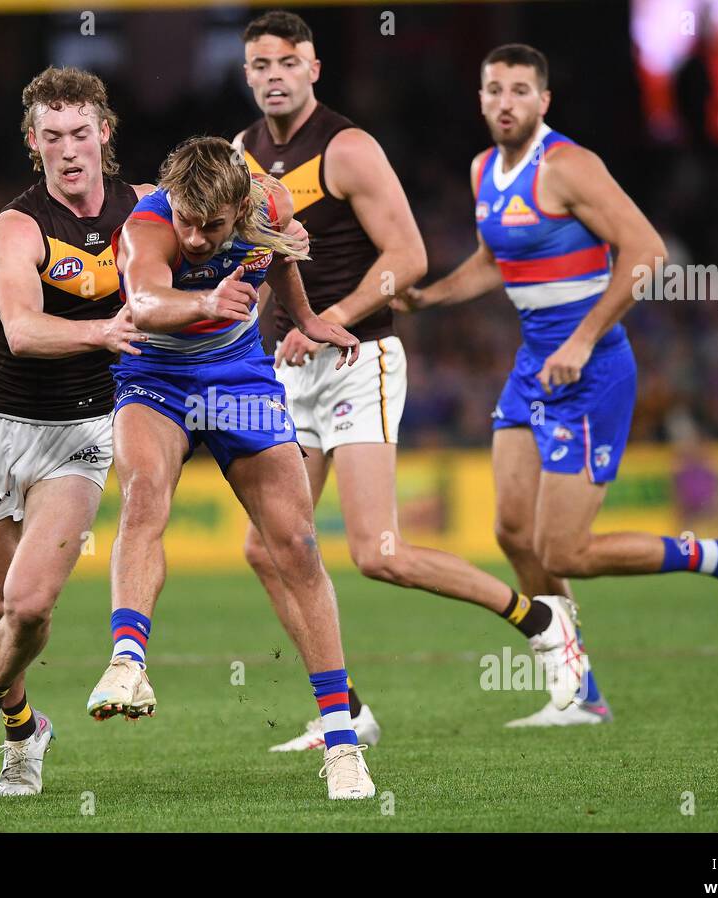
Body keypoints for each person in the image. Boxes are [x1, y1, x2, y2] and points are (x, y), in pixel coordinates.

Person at [394, 44, 718, 726]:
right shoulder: (486, 168)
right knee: (513, 532)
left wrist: (581, 338)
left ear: (544, 101)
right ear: (480, 100)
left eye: (519, 90)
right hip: (534, 368)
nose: (505, 101)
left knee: (565, 550)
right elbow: (494, 261)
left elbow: (649, 251)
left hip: (592, 369)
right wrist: (432, 297)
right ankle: (580, 690)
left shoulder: (568, 166)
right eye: (493, 89)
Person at [235, 11, 586, 751]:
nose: (273, 75)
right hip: (288, 369)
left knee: (379, 554)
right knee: (267, 548)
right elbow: (262, 266)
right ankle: (345, 707)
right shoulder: (242, 154)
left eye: (286, 62)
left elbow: (410, 255)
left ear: (313, 69)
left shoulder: (348, 147)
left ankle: (539, 618)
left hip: (359, 363)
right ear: (247, 74)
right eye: (259, 64)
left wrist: (324, 319)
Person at [83, 135, 375, 799]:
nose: (192, 235)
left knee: (298, 547)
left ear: (240, 206)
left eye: (210, 225)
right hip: (154, 375)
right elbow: (146, 300)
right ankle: (128, 661)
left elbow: (276, 257)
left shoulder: (268, 203)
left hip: (238, 376)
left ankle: (341, 742)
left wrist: (306, 317)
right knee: (144, 498)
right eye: (185, 218)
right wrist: (206, 302)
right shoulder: (146, 225)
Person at [0, 67, 154, 795]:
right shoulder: (15, 227)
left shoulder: (149, 210)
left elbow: (225, 221)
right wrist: (111, 330)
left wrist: (269, 238)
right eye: (52, 136)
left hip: (80, 431)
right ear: (33, 142)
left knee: (31, 604)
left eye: (81, 132)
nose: (69, 149)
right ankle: (24, 726)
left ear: (106, 133)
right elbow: (25, 333)